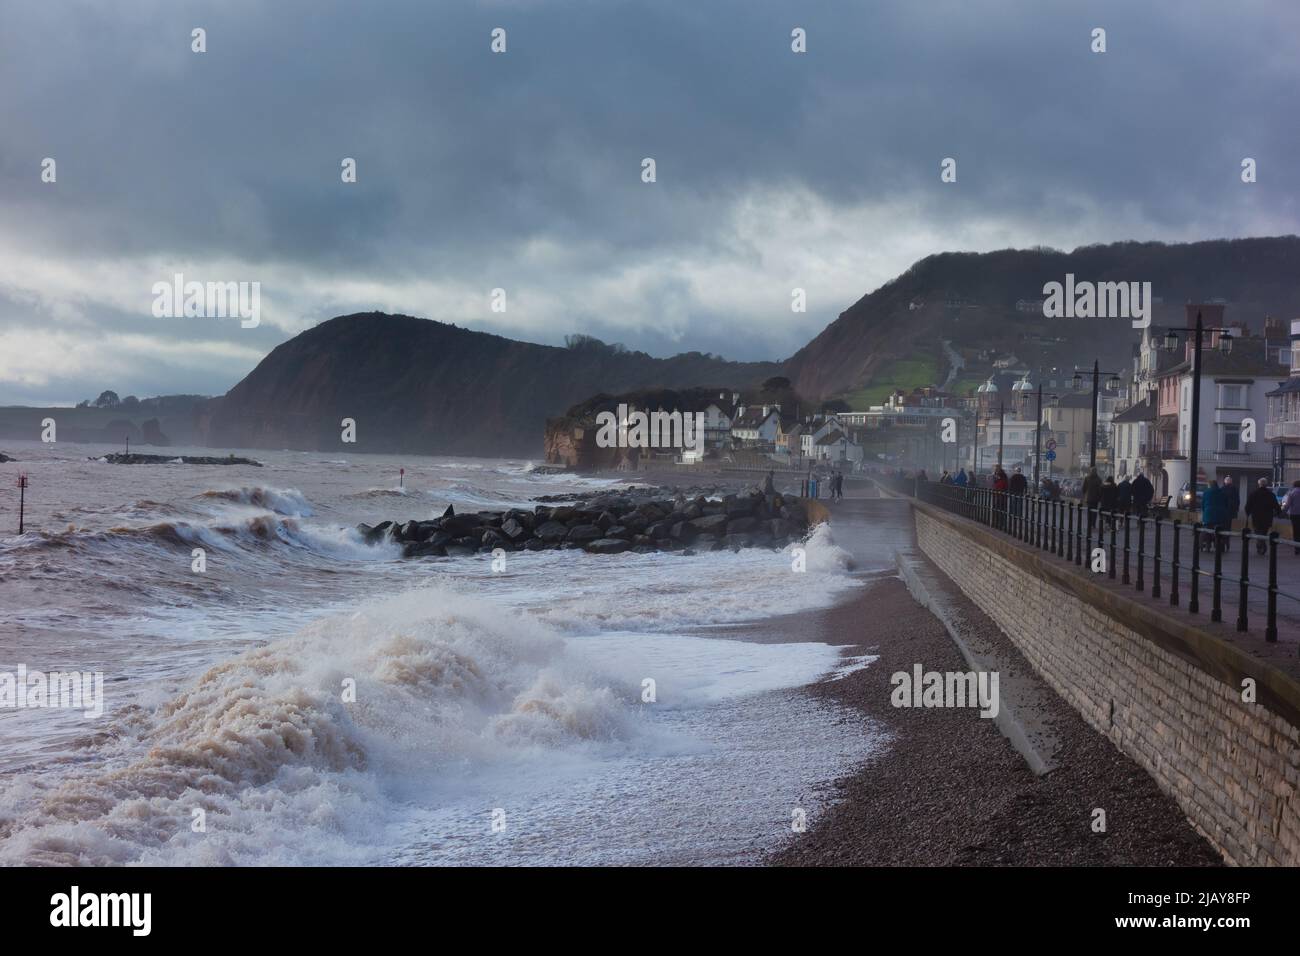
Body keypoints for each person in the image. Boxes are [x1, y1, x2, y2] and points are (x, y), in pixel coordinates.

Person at [1245, 477, 1282, 556]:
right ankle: (1262, 542)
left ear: (1259, 484)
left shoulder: (1253, 493)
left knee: (1257, 530)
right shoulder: (1270, 494)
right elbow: (1275, 505)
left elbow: (1248, 505)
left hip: (1256, 516)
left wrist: (1247, 512)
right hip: (1267, 517)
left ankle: (1260, 543)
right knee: (1264, 531)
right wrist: (1279, 512)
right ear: (1266, 484)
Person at [1200, 479, 1227, 553]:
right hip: (1220, 516)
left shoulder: (1206, 492)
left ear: (1210, 485)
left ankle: (1208, 546)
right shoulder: (1222, 492)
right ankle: (1219, 544)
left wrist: (1204, 512)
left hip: (1208, 515)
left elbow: (1202, 505)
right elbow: (1226, 504)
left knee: (1208, 530)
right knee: (1220, 530)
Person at [1081, 467, 1103, 535]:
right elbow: (1100, 489)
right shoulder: (1099, 479)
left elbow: (1083, 488)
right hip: (1095, 498)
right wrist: (1100, 497)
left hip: (1088, 498)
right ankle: (1093, 524)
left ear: (1090, 471)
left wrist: (1084, 494)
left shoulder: (1087, 478)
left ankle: (1090, 524)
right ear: (1096, 471)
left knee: (1089, 511)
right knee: (1094, 512)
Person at [1283, 480, 1300, 556]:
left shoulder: (1292, 493)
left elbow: (1287, 505)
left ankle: (1297, 548)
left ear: (1294, 485)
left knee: (1296, 531)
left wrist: (1283, 512)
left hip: (1294, 514)